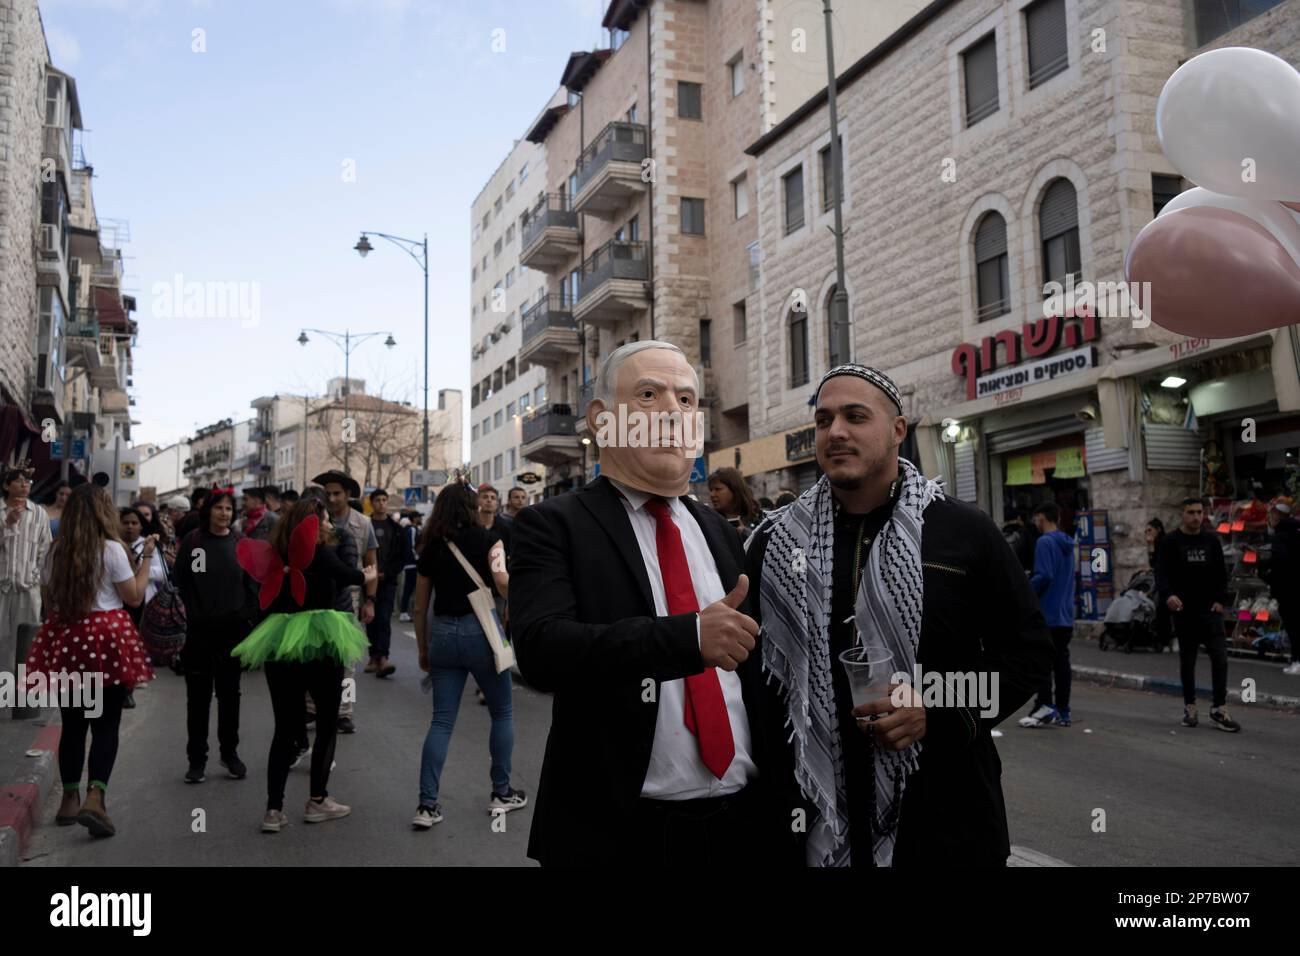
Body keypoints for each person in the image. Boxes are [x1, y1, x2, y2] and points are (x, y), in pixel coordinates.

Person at [745, 363, 1052, 867]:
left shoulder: (963, 532)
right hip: (808, 816)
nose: (836, 432)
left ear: (897, 430)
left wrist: (935, 708)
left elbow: (1028, 654)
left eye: (855, 416)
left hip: (942, 819)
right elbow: (753, 681)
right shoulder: (774, 545)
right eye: (823, 420)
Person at [511, 341, 772, 866]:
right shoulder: (554, 525)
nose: (673, 412)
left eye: (685, 399)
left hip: (740, 824)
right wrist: (687, 639)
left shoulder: (719, 531)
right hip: (620, 832)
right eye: (649, 395)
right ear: (602, 421)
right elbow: (541, 650)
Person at [231, 494, 377, 832]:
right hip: (323, 640)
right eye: (325, 520)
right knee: (327, 721)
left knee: (284, 727)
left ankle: (273, 810)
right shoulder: (320, 552)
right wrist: (368, 575)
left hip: (281, 640)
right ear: (313, 523)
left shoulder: (276, 554)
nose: (329, 525)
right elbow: (351, 577)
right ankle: (318, 800)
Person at [25, 483, 155, 838]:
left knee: (74, 724)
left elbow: (50, 600)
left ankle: (69, 800)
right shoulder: (112, 549)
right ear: (102, 513)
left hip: (68, 640)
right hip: (107, 642)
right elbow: (133, 597)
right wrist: (145, 560)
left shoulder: (56, 552)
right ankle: (96, 796)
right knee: (106, 724)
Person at [411, 483, 519, 829]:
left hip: (442, 633)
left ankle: (427, 806)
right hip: (482, 631)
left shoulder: (430, 547)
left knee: (441, 721)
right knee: (501, 711)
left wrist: (423, 649)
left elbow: (418, 606)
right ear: (473, 507)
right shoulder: (491, 540)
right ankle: (500, 793)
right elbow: (502, 581)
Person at [172, 486, 260, 781]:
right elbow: (183, 583)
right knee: (198, 699)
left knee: (229, 696)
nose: (224, 514)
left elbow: (252, 584)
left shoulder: (241, 543)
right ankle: (196, 760)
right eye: (219, 508)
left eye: (228, 509)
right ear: (207, 511)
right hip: (198, 634)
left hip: (232, 633)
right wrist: (193, 615)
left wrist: (246, 616)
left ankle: (229, 753)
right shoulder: (194, 543)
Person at [1156, 497, 1239, 731]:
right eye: (1191, 512)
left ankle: (1219, 708)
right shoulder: (1170, 542)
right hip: (1184, 611)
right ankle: (1190, 707)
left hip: (1210, 611)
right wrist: (1169, 595)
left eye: (1199, 512)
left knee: (1220, 658)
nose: (1196, 517)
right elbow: (1161, 574)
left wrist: (1220, 601)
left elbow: (1221, 574)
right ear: (1182, 514)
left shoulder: (1211, 541)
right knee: (1188, 661)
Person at [312, 470, 377, 735]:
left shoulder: (362, 523)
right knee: (314, 656)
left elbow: (371, 564)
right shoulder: (314, 520)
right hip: (315, 601)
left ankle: (344, 711)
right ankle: (311, 708)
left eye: (337, 493)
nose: (332, 498)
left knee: (347, 661)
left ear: (347, 495)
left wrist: (370, 600)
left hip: (349, 598)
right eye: (327, 494)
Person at [1018, 502, 1077, 728]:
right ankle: (1063, 710)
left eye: (1036, 518)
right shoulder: (1068, 544)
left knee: (1041, 662)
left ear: (1042, 517)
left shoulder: (1044, 542)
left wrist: (1024, 592)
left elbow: (1044, 576)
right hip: (1065, 614)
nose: (1034, 523)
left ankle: (1044, 706)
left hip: (1047, 613)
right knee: (1062, 663)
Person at [117, 506, 168, 710]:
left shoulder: (149, 546)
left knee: (134, 643)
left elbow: (162, 573)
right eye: (126, 522)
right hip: (117, 603)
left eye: (134, 523)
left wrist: (141, 570)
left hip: (140, 601)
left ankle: (130, 684)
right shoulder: (112, 545)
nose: (129, 527)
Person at [2, 465, 53, 669]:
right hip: (1, 587)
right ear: (6, 485)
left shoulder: (39, 513)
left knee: (27, 639)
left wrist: (36, 578)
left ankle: (23, 688)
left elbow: (45, 549)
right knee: (2, 639)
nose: (24, 485)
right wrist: (6, 525)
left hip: (28, 587)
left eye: (28, 481)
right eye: (19, 481)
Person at [365, 489, 404, 678]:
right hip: (368, 580)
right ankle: (373, 656)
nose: (381, 503)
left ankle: (382, 657)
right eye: (377, 500)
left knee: (383, 619)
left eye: (384, 500)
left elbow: (402, 556)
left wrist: (387, 573)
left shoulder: (395, 529)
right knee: (370, 620)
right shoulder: (365, 525)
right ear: (371, 503)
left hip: (388, 581)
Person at [1262, 499, 1300, 675]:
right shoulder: (1295, 531)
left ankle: (1297, 660)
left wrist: (1266, 576)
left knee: (1293, 625)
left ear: (1277, 515)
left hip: (1288, 589)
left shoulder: (1281, 537)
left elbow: (1279, 564)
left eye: (1272, 514)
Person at [707, 467, 762, 543]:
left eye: (718, 489)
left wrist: (746, 534)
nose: (712, 494)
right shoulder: (709, 521)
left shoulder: (759, 518)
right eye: (711, 490)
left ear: (734, 489)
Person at [1145, 517, 1172, 646]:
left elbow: (1157, 562)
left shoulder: (1164, 542)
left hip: (1169, 579)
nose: (1148, 533)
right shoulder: (1155, 543)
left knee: (1164, 609)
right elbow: (1152, 563)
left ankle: (1165, 640)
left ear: (1158, 530)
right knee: (1161, 609)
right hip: (1161, 579)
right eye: (1146, 531)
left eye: (1150, 530)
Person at [477, 484, 513, 555]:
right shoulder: (471, 524)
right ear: (478, 501)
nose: (489, 500)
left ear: (497, 503)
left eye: (493, 498)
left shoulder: (506, 527)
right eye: (485, 497)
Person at [397, 509, 420, 623]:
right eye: (418, 517)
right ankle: (404, 612)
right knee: (410, 589)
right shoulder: (412, 529)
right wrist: (417, 558)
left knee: (408, 588)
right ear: (414, 518)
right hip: (412, 564)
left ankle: (404, 611)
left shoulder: (410, 529)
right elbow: (412, 546)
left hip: (409, 563)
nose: (420, 519)